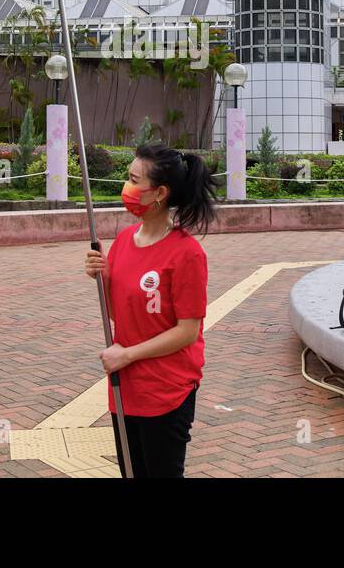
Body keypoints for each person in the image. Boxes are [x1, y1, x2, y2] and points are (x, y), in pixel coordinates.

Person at [82, 142, 216, 478]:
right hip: (125, 388)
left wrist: (127, 355)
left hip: (166, 391)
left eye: (133, 179)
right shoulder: (124, 240)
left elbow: (187, 332)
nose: (126, 188)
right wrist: (104, 277)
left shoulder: (187, 255)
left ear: (159, 194)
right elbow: (121, 315)